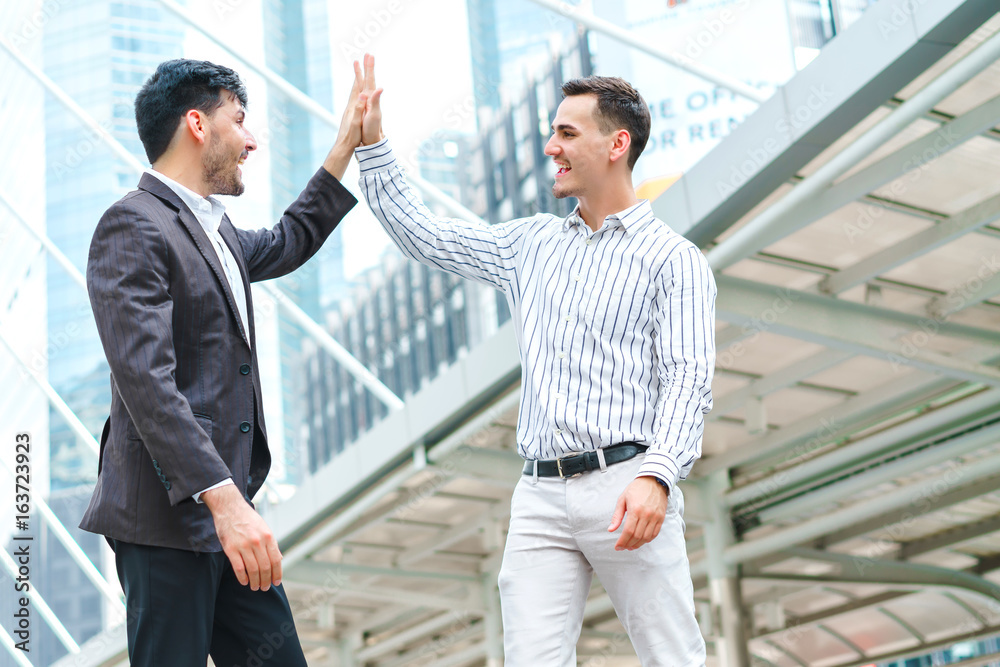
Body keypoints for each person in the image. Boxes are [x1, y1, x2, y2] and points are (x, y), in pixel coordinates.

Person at [351, 55, 715, 666]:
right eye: (552, 132)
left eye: (567, 133)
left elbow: (689, 379)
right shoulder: (532, 245)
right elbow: (426, 235)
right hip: (539, 495)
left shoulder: (672, 260)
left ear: (617, 143)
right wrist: (374, 146)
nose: (551, 147)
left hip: (628, 481)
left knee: (672, 656)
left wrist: (658, 475)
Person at [80, 58, 367, 665]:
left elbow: (291, 238)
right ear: (197, 124)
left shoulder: (219, 232)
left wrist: (345, 146)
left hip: (227, 518)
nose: (252, 139)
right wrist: (226, 501)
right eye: (239, 120)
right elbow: (146, 381)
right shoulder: (133, 224)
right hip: (164, 520)